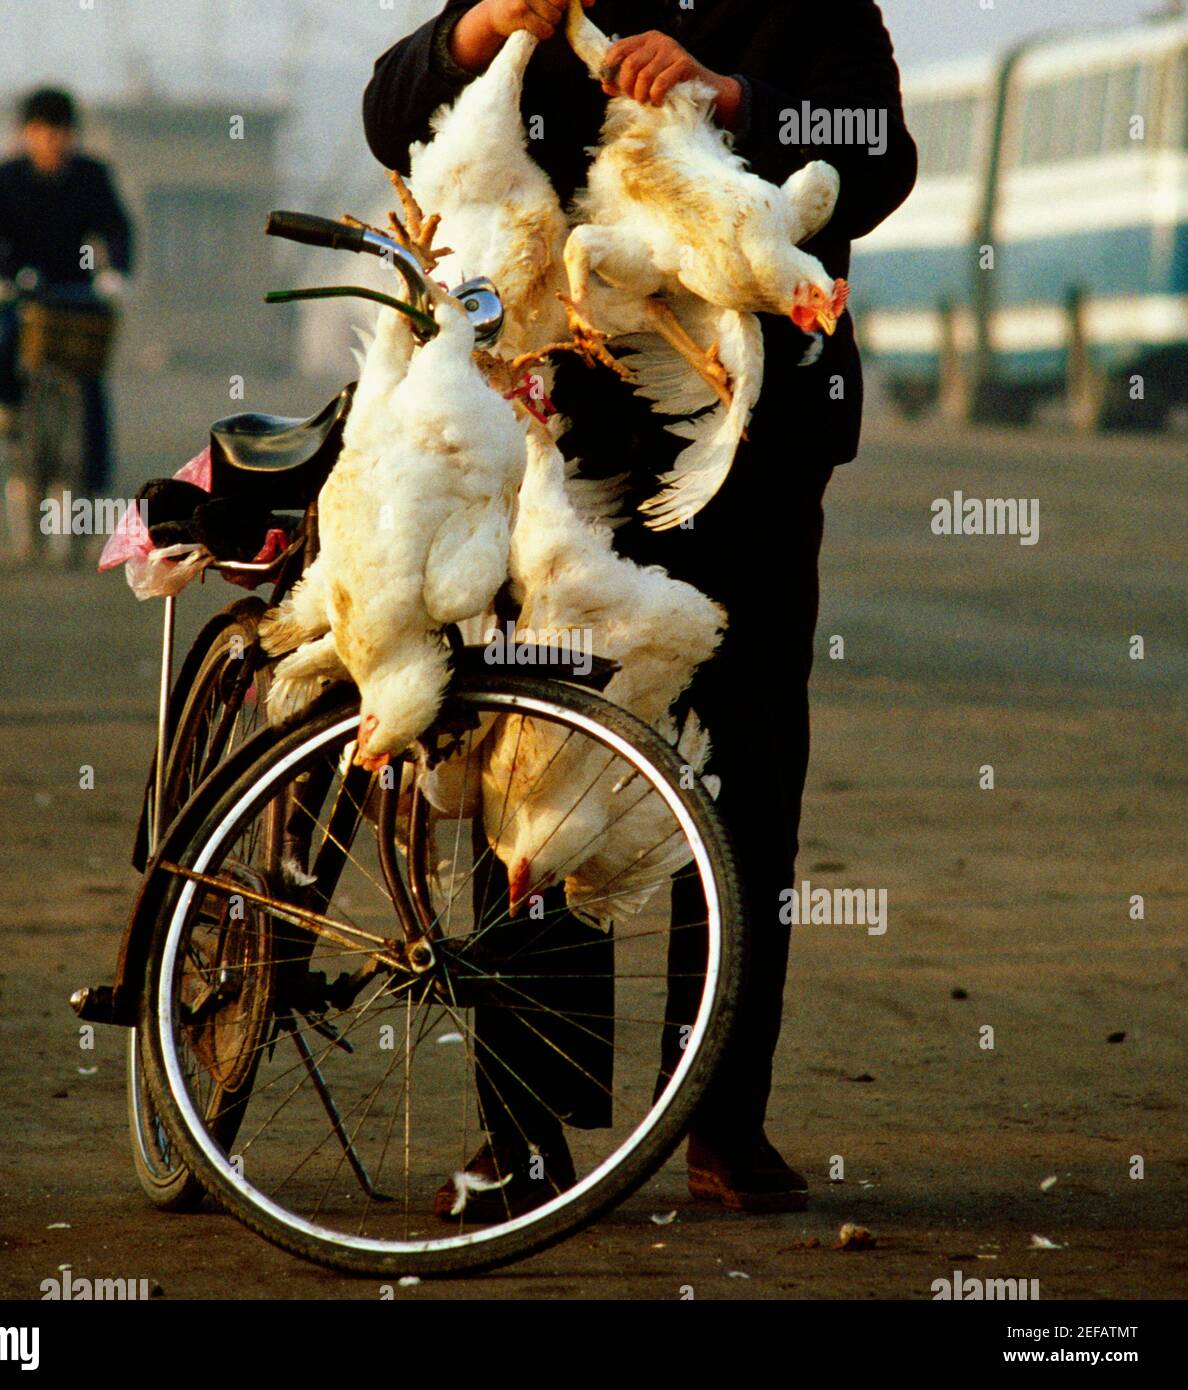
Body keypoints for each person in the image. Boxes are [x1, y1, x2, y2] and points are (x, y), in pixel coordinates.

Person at [364, 0, 917, 1218]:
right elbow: (391, 115)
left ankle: (720, 1118)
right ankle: (529, 1135)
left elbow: (876, 155)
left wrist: (730, 97)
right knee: (536, 769)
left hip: (751, 433)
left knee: (749, 771)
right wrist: (473, 33)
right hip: (565, 437)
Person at [0, 87, 133, 552]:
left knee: (92, 381)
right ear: (26, 134)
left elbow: (117, 228)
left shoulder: (91, 177)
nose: (53, 141)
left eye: (61, 131)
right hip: (19, 291)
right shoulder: (4, 179)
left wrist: (116, 274)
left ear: (72, 135)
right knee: (6, 338)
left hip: (77, 293)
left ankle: (93, 479)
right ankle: (0, 401)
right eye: (43, 131)